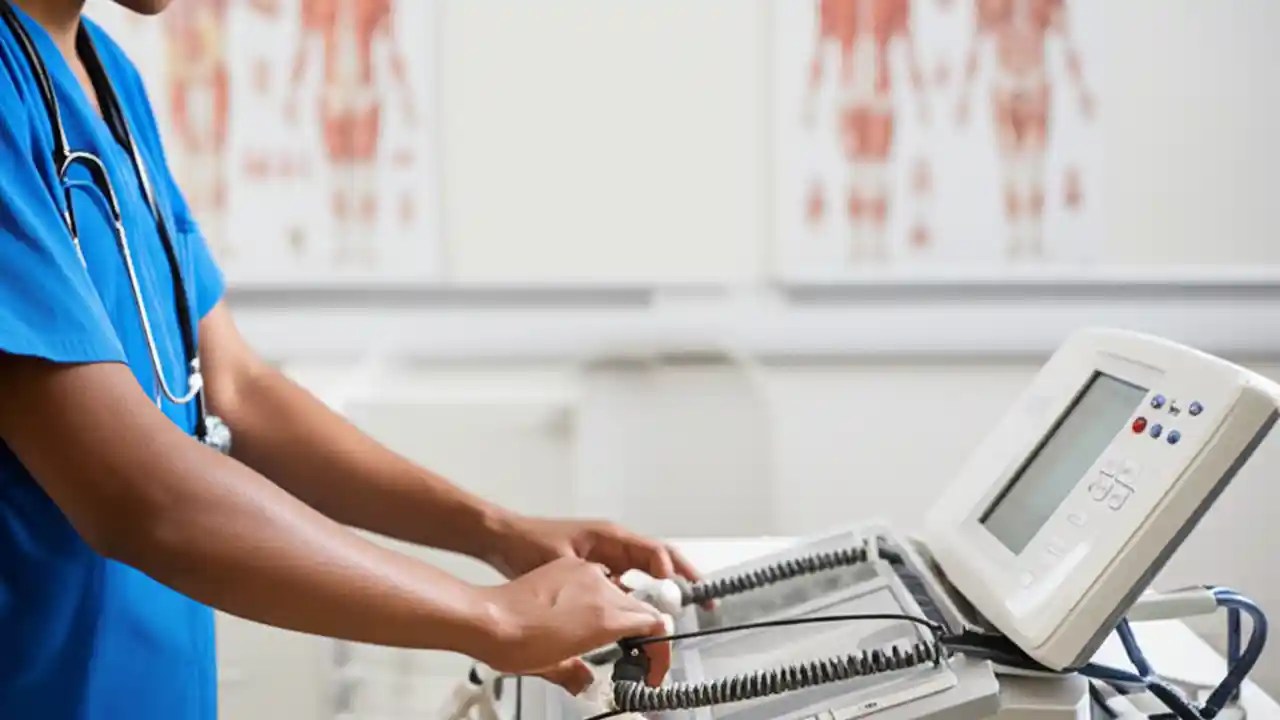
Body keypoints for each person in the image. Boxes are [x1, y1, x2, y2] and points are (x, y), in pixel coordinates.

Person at [0, 1, 686, 718]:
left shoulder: (105, 75)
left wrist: (496, 532)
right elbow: (134, 493)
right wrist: (491, 619)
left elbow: (236, 389)